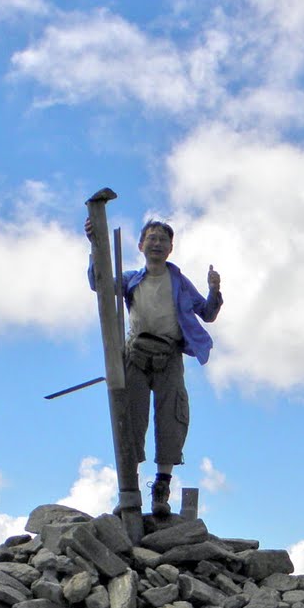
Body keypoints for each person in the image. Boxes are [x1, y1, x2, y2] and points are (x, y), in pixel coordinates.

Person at [86, 217, 222, 516]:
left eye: (163, 239)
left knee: (171, 419)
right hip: (135, 353)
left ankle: (161, 490)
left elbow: (207, 313)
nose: (157, 243)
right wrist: (95, 246)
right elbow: (100, 284)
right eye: (152, 238)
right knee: (130, 419)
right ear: (141, 245)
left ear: (171, 248)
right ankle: (129, 491)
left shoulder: (180, 283)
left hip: (168, 355)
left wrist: (214, 291)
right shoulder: (132, 279)